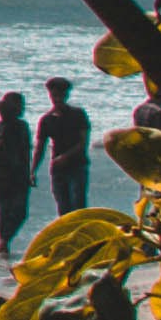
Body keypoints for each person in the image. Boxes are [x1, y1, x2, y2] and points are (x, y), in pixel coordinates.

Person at [0, 92, 36, 256]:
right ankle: (4, 241)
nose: (23, 108)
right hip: (16, 174)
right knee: (19, 211)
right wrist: (30, 172)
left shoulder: (0, 125)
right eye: (21, 105)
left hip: (1, 175)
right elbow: (25, 153)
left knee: (4, 208)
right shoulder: (20, 126)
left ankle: (4, 241)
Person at [36, 75, 93, 217]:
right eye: (54, 95)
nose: (57, 99)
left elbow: (83, 143)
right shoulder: (46, 120)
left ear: (66, 95)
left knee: (78, 204)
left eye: (61, 95)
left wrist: (65, 157)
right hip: (58, 168)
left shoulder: (78, 114)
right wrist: (33, 170)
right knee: (63, 207)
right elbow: (40, 147)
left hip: (78, 165)